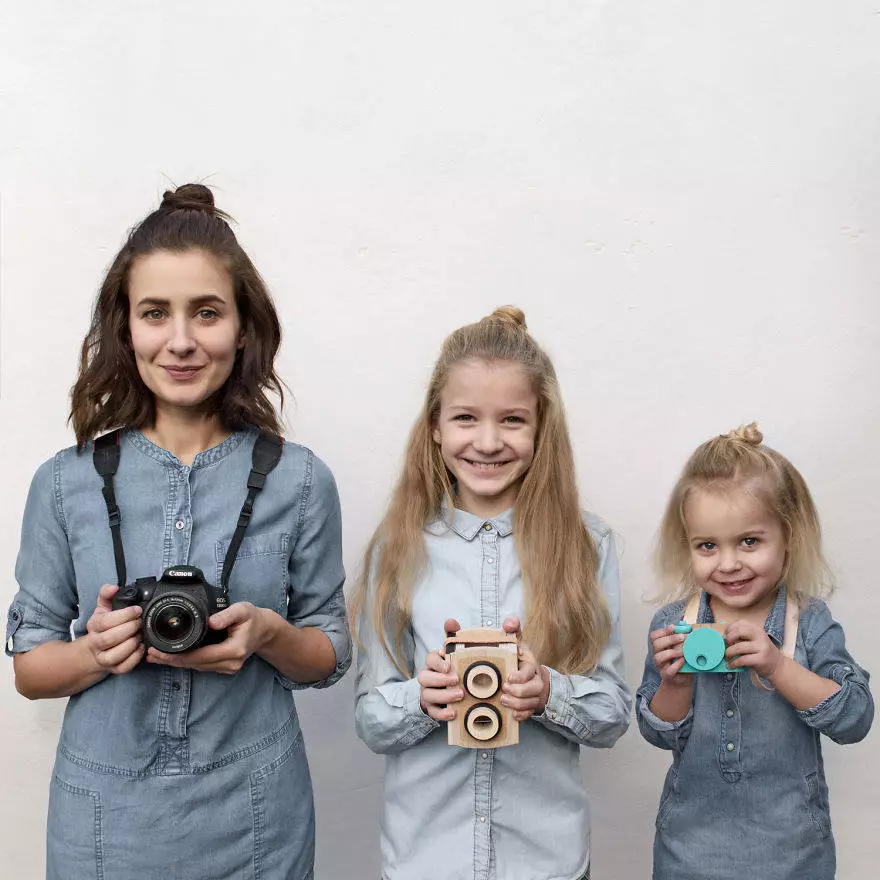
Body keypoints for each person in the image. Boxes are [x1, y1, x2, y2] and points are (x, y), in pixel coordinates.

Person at [5, 184, 350, 879]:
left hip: (257, 815)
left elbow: (330, 653)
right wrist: (99, 651)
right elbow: (28, 669)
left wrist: (268, 635)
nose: (182, 341)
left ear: (243, 327)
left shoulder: (300, 481)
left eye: (208, 313)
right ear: (126, 327)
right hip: (104, 820)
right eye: (156, 313)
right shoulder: (65, 482)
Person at [351, 306, 631, 880]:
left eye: (511, 420)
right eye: (464, 418)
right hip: (426, 861)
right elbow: (372, 719)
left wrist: (546, 690)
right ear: (434, 425)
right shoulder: (398, 547)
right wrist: (424, 698)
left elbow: (612, 713)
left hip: (545, 862)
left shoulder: (587, 545)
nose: (487, 441)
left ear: (540, 429)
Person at [636, 423, 874, 880]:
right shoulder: (674, 623)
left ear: (788, 536)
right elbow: (659, 735)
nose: (728, 564)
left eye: (749, 541)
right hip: (688, 854)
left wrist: (776, 664)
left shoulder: (808, 622)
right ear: (686, 547)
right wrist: (674, 684)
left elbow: (855, 718)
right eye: (707, 546)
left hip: (795, 855)